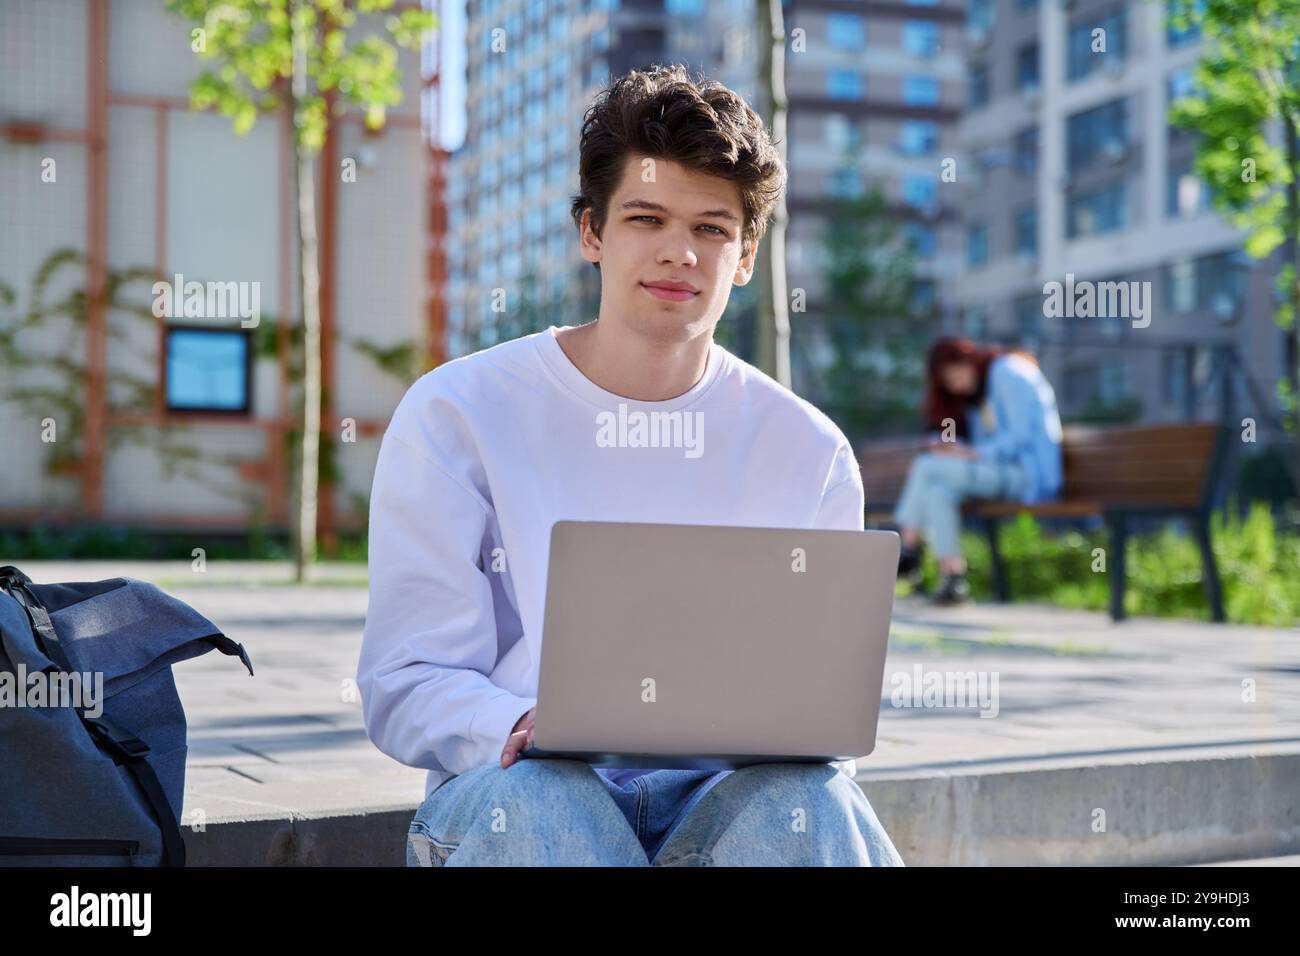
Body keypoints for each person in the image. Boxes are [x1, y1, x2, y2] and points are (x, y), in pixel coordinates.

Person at [355, 64, 905, 867]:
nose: (679, 251)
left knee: (813, 803)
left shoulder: (809, 450)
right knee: (553, 805)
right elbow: (404, 680)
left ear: (746, 256)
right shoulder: (459, 411)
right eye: (646, 218)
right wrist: (511, 725)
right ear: (592, 233)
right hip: (522, 792)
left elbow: (817, 717)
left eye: (713, 229)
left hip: (717, 799)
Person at [894, 337, 1063, 605]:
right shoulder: (980, 392)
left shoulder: (1008, 371)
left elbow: (1020, 438)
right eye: (949, 381)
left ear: (969, 360)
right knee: (939, 491)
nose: (956, 385)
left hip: (1028, 475)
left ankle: (909, 548)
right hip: (1000, 472)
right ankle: (953, 579)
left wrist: (973, 453)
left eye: (956, 374)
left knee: (927, 466)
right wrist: (958, 448)